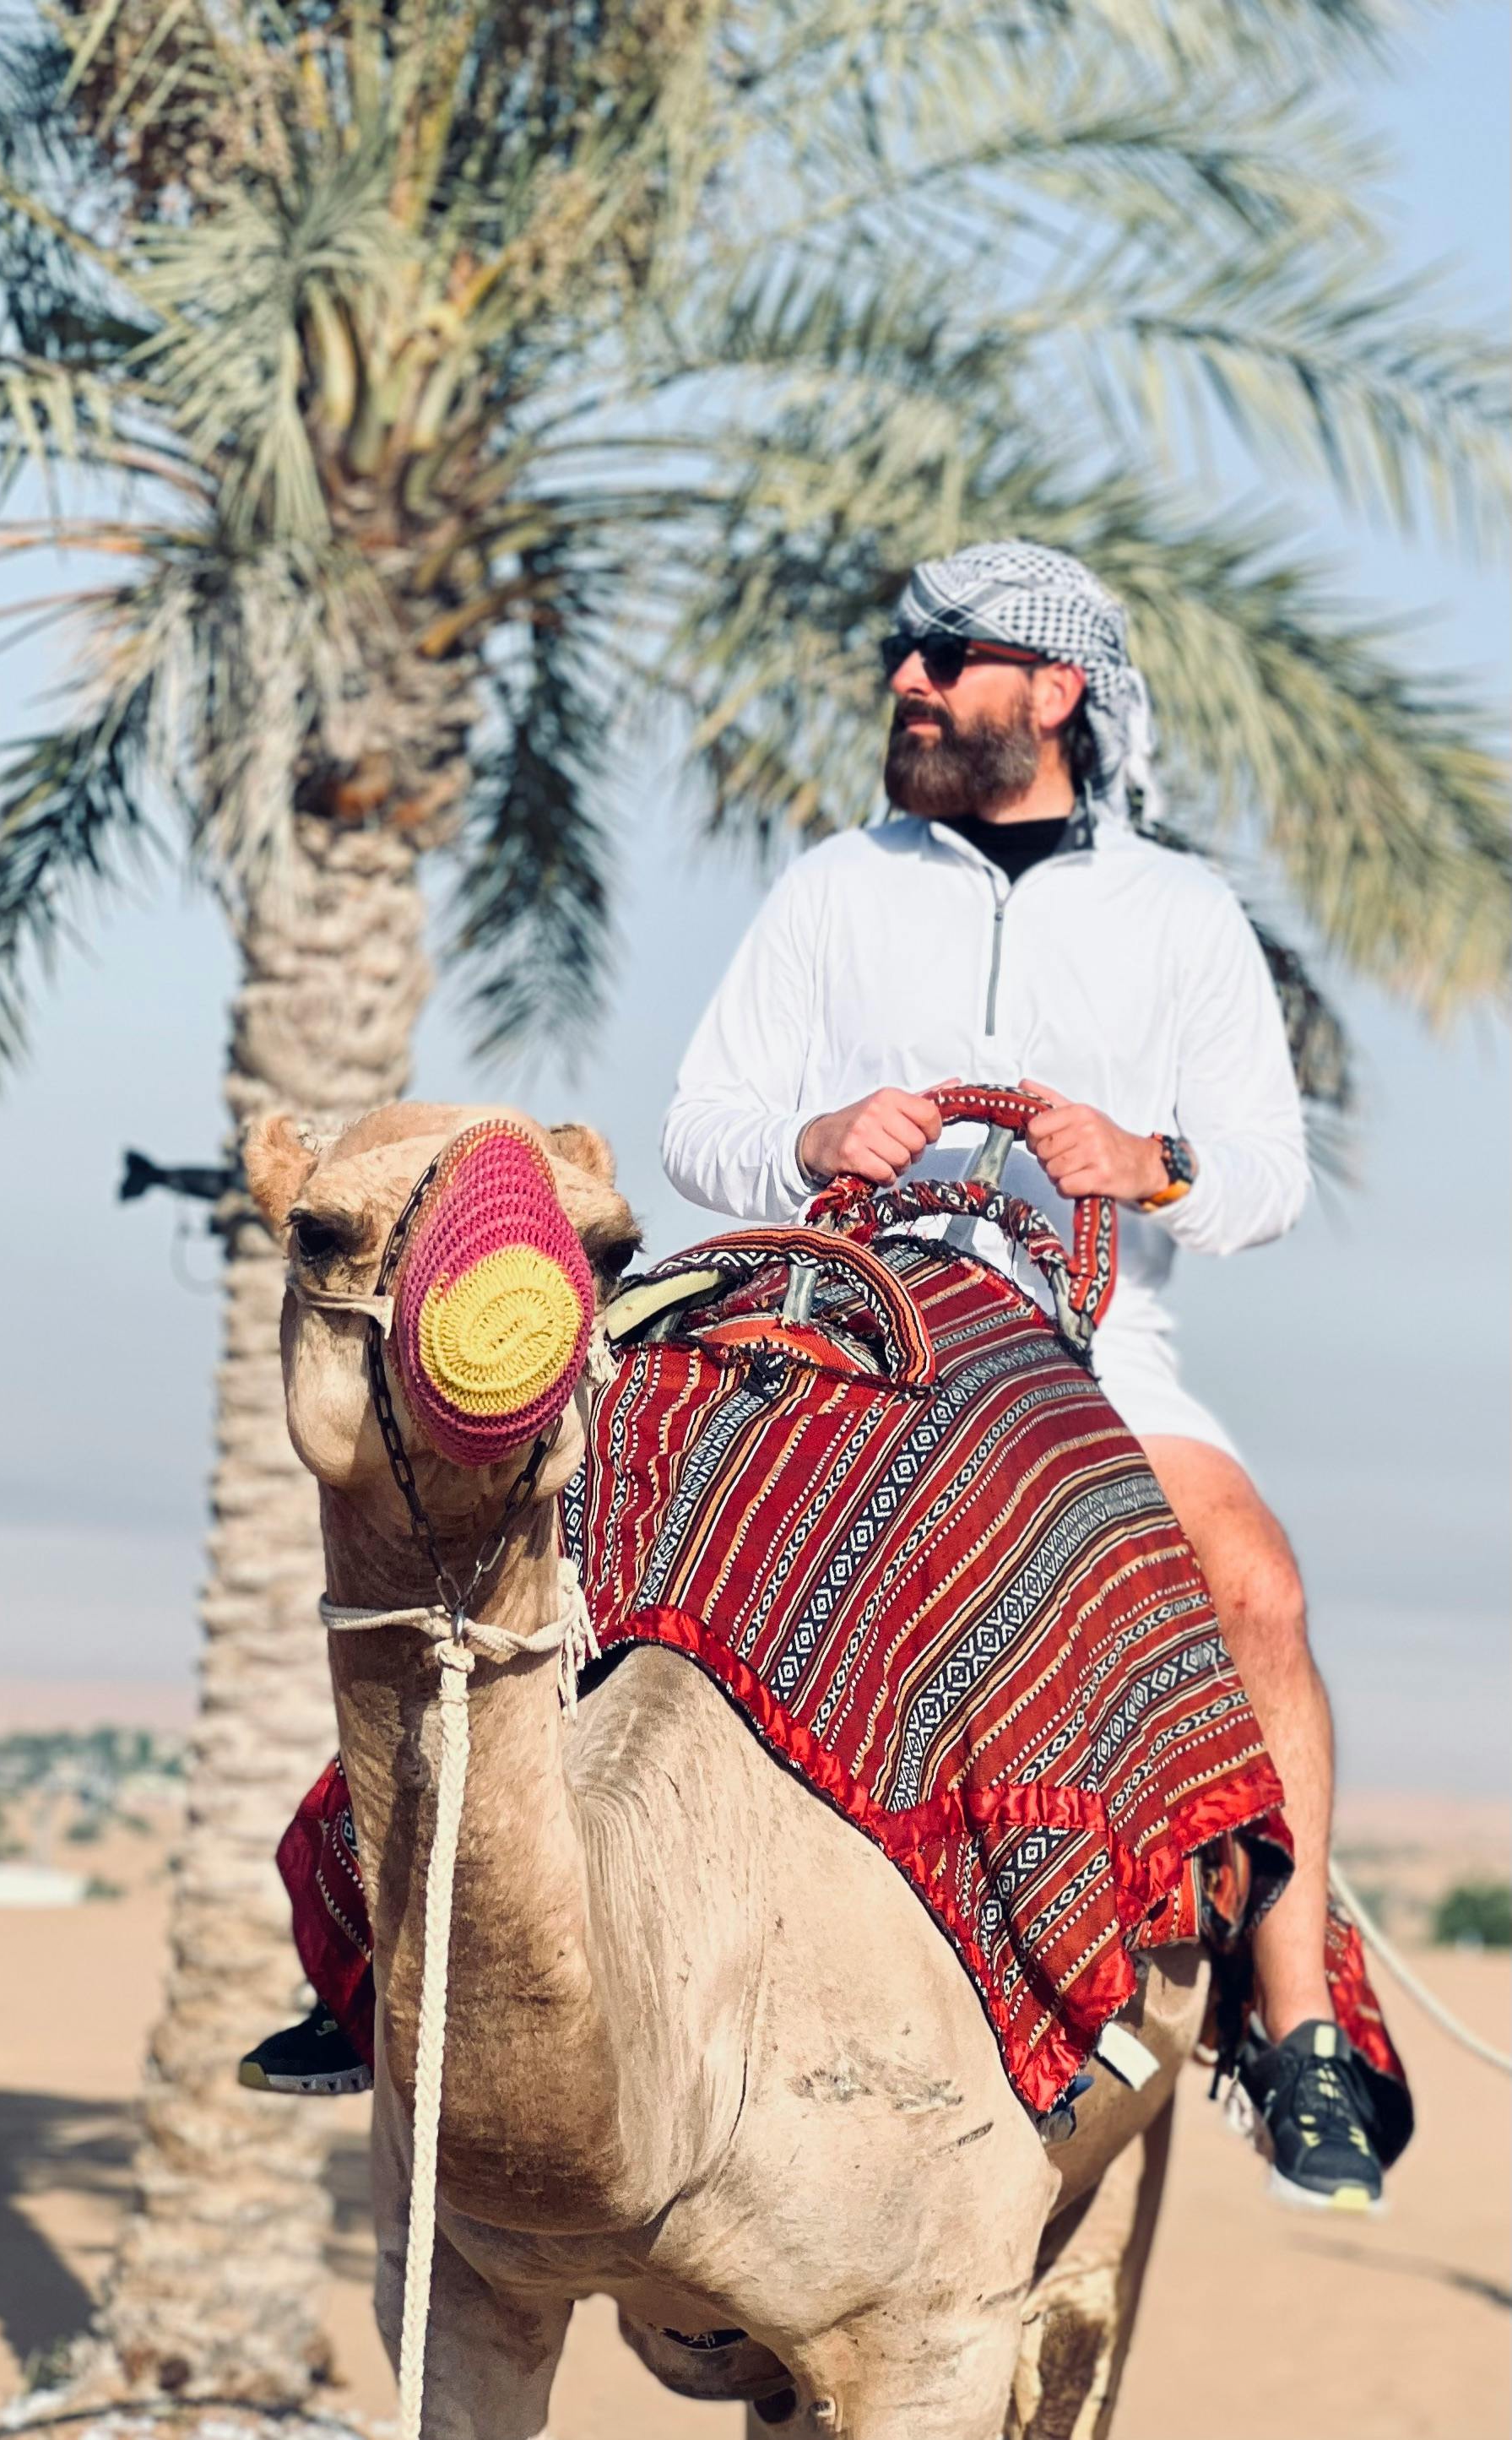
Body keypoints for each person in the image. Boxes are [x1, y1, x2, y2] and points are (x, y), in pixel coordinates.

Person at [659, 539, 1385, 2211]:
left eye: (949, 657)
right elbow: (704, 1120)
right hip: (843, 1310)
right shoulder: (833, 885)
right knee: (581, 1490)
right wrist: (810, 1134)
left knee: (1258, 1591)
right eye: (902, 654)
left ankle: (1295, 2041)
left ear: (1056, 691)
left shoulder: (1178, 916)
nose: (906, 682)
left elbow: (1267, 1178)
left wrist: (1150, 1159)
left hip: (1091, 1343)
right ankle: (397, 1947)